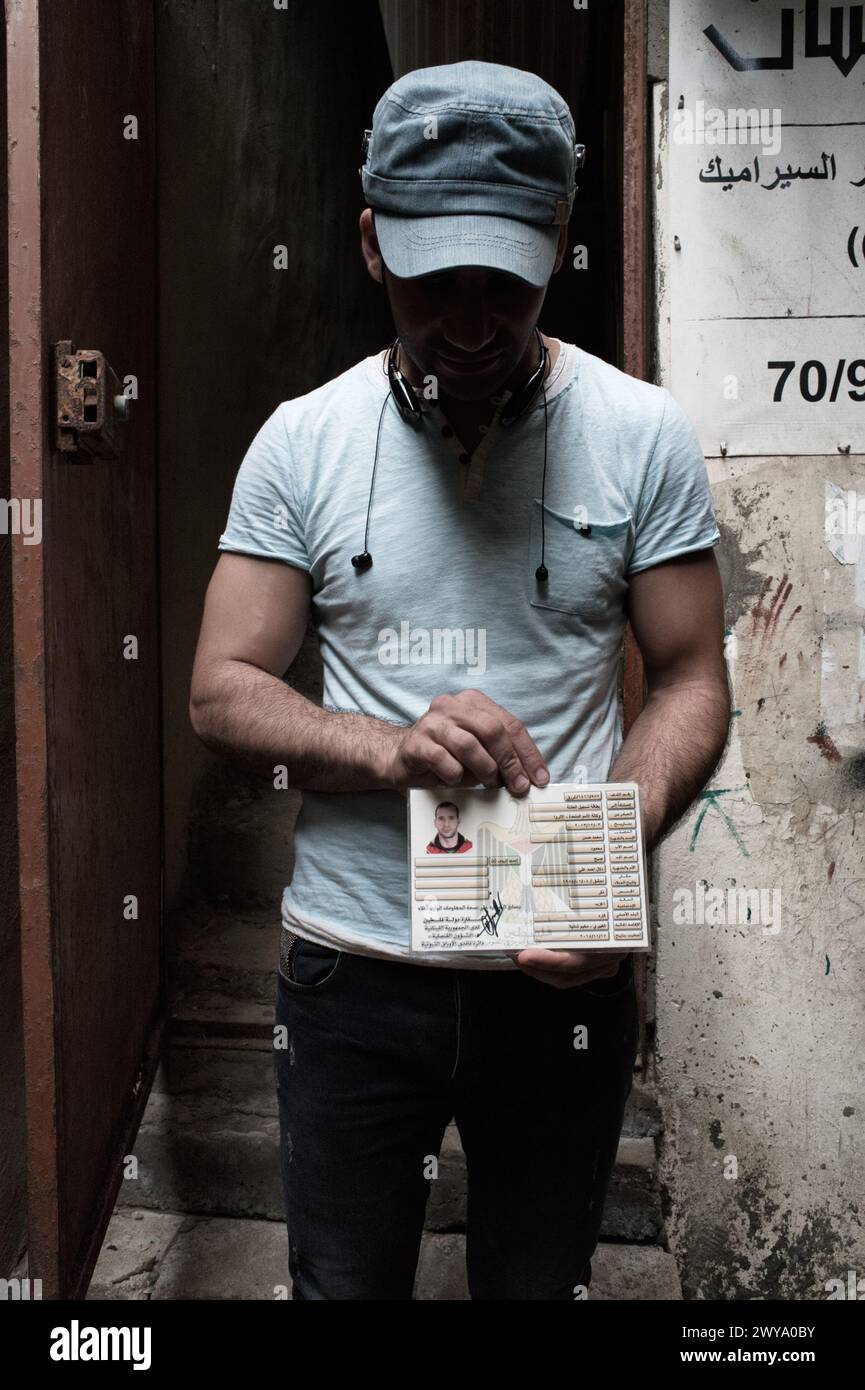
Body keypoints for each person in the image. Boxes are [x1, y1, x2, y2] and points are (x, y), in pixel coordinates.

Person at [189, 59, 730, 1300]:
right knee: (342, 1287)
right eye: (439, 283)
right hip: (349, 973)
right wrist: (386, 748)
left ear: (558, 239)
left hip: (558, 978)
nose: (474, 324)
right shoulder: (303, 440)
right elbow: (222, 687)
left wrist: (611, 842)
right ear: (374, 244)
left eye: (508, 280)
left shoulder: (641, 433)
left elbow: (694, 676)